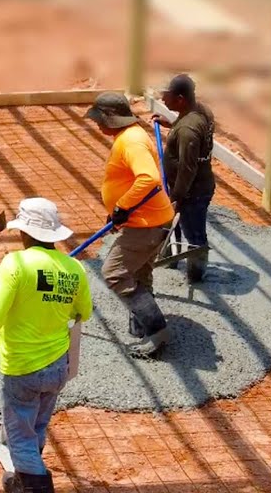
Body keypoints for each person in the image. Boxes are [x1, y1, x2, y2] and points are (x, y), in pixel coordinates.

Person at [0, 198, 91, 493]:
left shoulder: (15, 262)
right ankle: (21, 479)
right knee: (37, 426)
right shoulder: (74, 268)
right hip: (58, 367)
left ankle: (35, 485)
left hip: (23, 368)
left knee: (18, 437)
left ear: (25, 233)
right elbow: (84, 312)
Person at [85, 91, 176, 359]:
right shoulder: (129, 136)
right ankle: (143, 323)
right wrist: (117, 211)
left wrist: (122, 207)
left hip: (146, 224)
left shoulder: (132, 141)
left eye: (98, 119)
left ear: (111, 118)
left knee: (114, 273)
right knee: (139, 272)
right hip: (149, 219)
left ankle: (157, 331)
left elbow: (148, 178)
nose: (96, 124)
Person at [157, 73, 216, 281]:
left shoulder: (187, 130)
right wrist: (172, 124)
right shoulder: (200, 112)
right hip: (195, 186)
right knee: (171, 222)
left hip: (192, 191)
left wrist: (177, 197)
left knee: (194, 235)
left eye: (166, 96)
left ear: (180, 99)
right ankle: (172, 258)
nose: (162, 99)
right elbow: (190, 127)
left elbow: (187, 168)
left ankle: (196, 274)